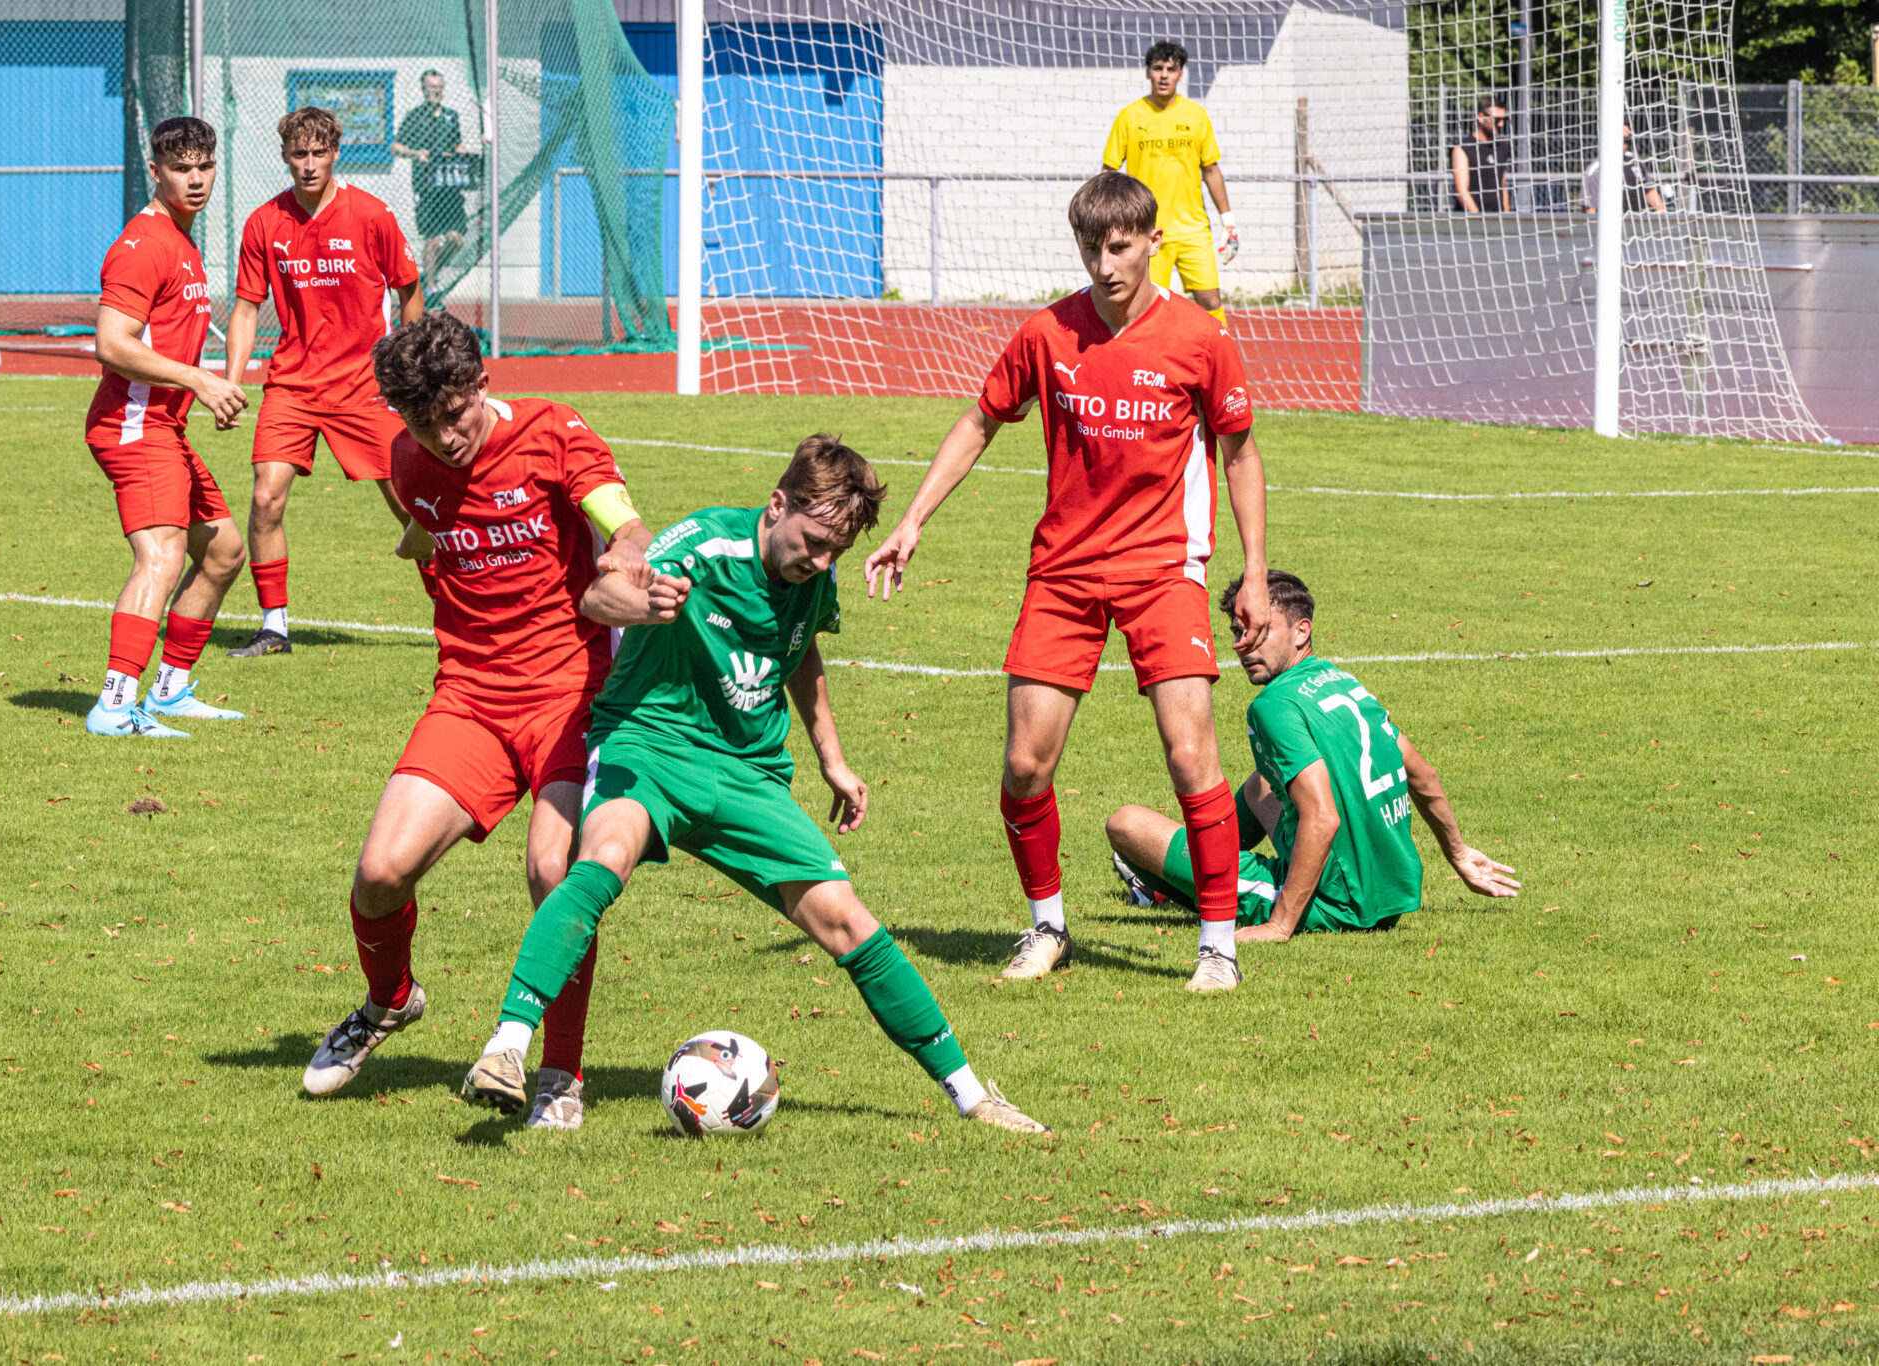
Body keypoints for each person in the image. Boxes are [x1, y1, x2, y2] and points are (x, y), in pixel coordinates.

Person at [461, 438, 1049, 1135]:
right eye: (815, 542)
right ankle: (508, 1049)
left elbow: (801, 656)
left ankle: (972, 1096)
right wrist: (643, 600)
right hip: (652, 744)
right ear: (777, 505)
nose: (823, 562)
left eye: (836, 550)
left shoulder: (813, 578)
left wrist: (831, 756)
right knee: (600, 860)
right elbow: (598, 593)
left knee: (848, 921)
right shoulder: (706, 543)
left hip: (750, 774)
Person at [864, 171, 1270, 995]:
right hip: (1065, 569)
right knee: (1024, 764)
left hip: (1165, 570)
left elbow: (1242, 453)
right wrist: (912, 519)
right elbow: (981, 421)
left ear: (1154, 242)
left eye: (1120, 246)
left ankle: (1218, 946)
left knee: (1191, 754)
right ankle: (1048, 925)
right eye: (1091, 248)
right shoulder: (1048, 333)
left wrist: (1253, 574)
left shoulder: (1200, 337)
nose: (1105, 263)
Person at [299, 311, 653, 1130]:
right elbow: (429, 526)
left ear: (480, 384)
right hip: (468, 692)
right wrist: (425, 545)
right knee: (381, 873)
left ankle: (559, 1076)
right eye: (425, 424)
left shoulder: (551, 433)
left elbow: (621, 517)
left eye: (455, 415)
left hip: (571, 690)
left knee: (552, 873)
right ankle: (390, 1004)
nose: (446, 437)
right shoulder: (406, 460)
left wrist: (629, 547)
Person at [1107, 570, 1520, 949]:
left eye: (1258, 631)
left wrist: (1280, 924)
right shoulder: (1340, 679)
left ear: (1301, 631)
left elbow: (1323, 819)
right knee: (1261, 784)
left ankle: (1164, 886)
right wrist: (1459, 853)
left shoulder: (1273, 705)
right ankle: (1206, 860)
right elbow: (1423, 775)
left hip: (1337, 903)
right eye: (1237, 631)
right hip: (1390, 892)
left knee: (1126, 826)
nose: (1241, 645)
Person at [223, 106, 429, 659]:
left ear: (336, 153)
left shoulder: (371, 215)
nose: (309, 165)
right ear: (285, 156)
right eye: (299, 154)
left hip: (366, 387)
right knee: (266, 498)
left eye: (319, 153)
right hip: (292, 385)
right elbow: (245, 308)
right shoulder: (265, 223)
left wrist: (410, 371)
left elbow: (409, 292)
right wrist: (231, 380)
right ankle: (274, 627)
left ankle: (461, 613)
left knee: (412, 507)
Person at [82, 116, 249, 739]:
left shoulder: (182, 240)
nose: (196, 179)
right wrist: (199, 381)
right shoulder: (144, 243)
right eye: (182, 168)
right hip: (133, 426)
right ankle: (115, 706)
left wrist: (200, 386)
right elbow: (110, 343)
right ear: (156, 172)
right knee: (161, 555)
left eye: (205, 166)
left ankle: (171, 692)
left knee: (225, 552)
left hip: (164, 427)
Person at [1102, 40, 1237, 329]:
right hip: (1146, 231)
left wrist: (1229, 222)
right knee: (1144, 307)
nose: (1164, 75)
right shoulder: (1130, 116)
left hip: (1193, 229)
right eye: (1158, 68)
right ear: (1148, 72)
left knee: (1210, 301)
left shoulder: (1196, 115)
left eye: (1171, 69)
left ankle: (1221, 361)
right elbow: (1108, 172)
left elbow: (1211, 169)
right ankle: (1144, 365)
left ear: (1181, 74)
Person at [391, 70, 471, 283]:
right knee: (433, 240)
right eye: (432, 87)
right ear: (423, 89)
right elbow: (396, 146)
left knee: (456, 239)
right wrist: (415, 153)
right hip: (427, 187)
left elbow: (456, 144)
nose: (437, 91)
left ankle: (430, 274)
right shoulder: (415, 116)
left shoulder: (450, 116)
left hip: (450, 187)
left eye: (439, 87)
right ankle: (431, 287)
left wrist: (463, 151)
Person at [1581, 125, 1667, 215]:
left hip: (1637, 222)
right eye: (1621, 139)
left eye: (1627, 141)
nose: (1625, 144)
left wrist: (1662, 215)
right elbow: (1590, 210)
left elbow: (1650, 192)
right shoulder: (1596, 171)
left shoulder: (1634, 162)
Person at [1452, 96, 1510, 213]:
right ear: (1481, 117)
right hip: (1472, 223)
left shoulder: (1501, 147)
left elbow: (1503, 186)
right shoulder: (1463, 149)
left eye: (1504, 120)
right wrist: (1479, 220)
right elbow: (1462, 191)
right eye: (1497, 120)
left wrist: (1506, 217)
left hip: (1497, 222)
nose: (1501, 124)